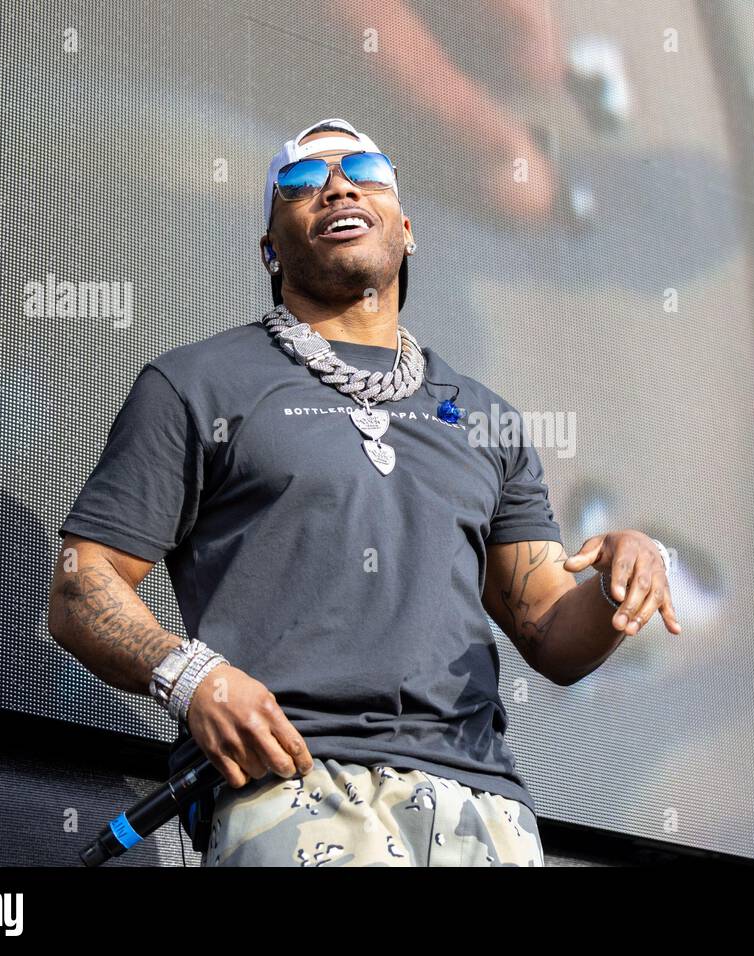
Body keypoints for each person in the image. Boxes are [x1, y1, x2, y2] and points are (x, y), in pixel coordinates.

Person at [46, 117, 681, 867]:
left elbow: (550, 630)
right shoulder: (198, 383)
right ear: (270, 249)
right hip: (292, 783)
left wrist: (617, 585)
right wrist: (193, 680)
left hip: (488, 808)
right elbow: (81, 586)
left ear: (407, 229)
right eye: (302, 182)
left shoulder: (485, 418)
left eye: (364, 169)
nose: (338, 185)